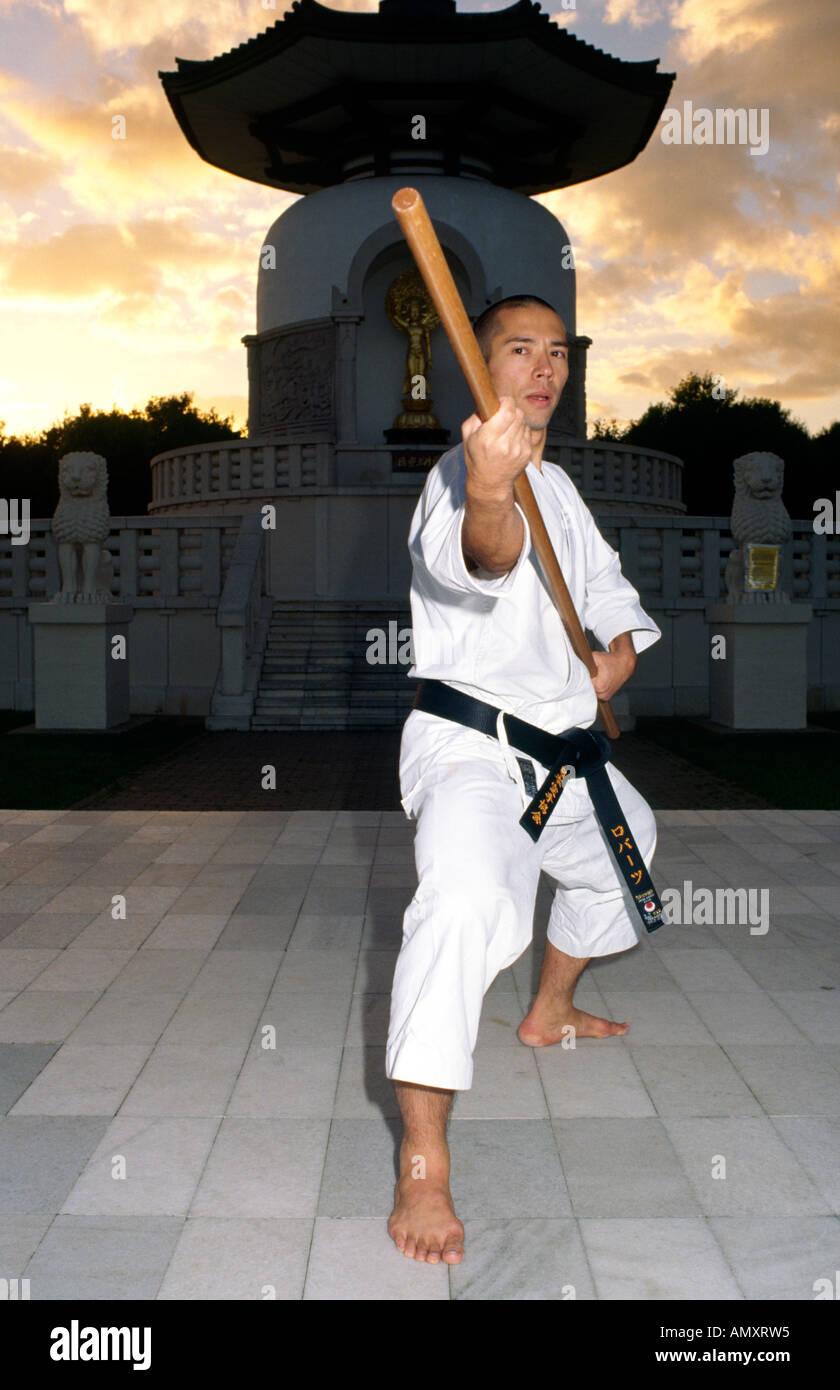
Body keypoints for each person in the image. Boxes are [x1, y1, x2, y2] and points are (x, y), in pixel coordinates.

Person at [385, 295, 661, 1265]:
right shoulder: (461, 476)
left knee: (630, 850)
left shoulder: (568, 488)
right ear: (483, 366)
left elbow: (611, 599)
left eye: (557, 352)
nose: (544, 367)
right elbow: (481, 554)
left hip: (563, 752)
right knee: (462, 907)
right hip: (472, 748)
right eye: (519, 349)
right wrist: (495, 492)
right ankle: (424, 1161)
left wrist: (617, 655)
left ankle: (547, 1010)